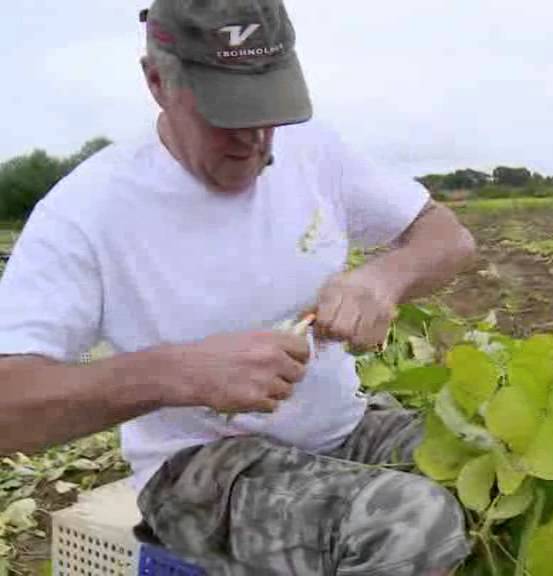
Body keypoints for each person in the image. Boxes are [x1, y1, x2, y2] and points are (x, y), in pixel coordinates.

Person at [0, 1, 478, 574]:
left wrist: (385, 277)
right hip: (196, 468)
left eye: (269, 108)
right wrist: (179, 373)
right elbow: (10, 406)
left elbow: (447, 237)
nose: (253, 137)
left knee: (494, 459)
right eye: (226, 113)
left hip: (340, 429)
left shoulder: (314, 151)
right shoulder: (89, 210)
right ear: (156, 81)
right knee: (412, 525)